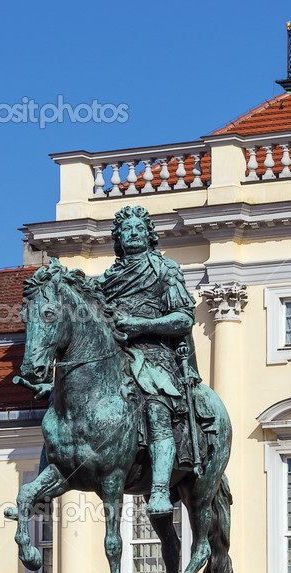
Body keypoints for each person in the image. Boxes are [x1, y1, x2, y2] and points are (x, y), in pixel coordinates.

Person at [98, 205, 214, 516]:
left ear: (149, 235)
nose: (132, 233)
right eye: (126, 229)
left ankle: (161, 490)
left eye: (138, 228)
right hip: (115, 354)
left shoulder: (165, 270)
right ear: (118, 238)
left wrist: (142, 325)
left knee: (154, 404)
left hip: (155, 354)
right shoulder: (106, 279)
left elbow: (182, 319)